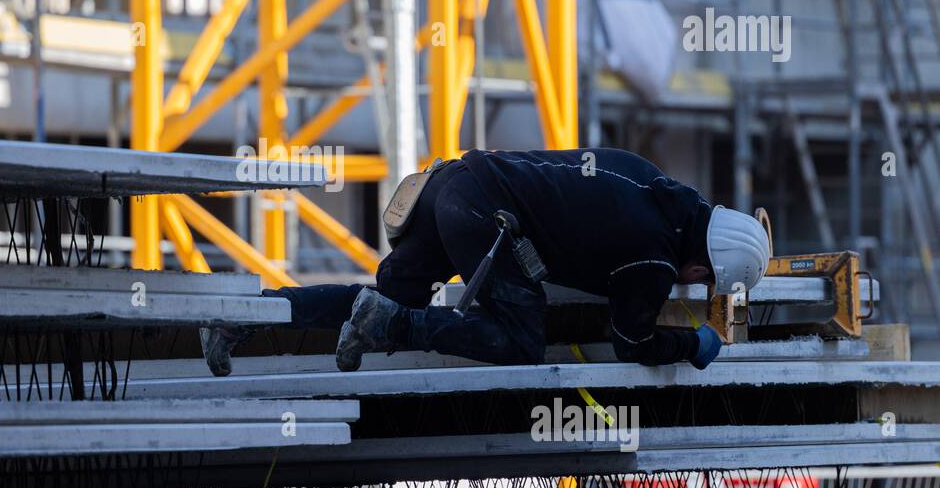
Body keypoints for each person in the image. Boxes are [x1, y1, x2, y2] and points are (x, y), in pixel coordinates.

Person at [200, 148, 771, 377]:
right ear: (704, 270)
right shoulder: (657, 258)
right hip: (485, 216)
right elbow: (632, 341)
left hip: (453, 182)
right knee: (521, 343)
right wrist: (691, 345)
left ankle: (247, 314)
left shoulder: (651, 181)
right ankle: (393, 325)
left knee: (380, 300)